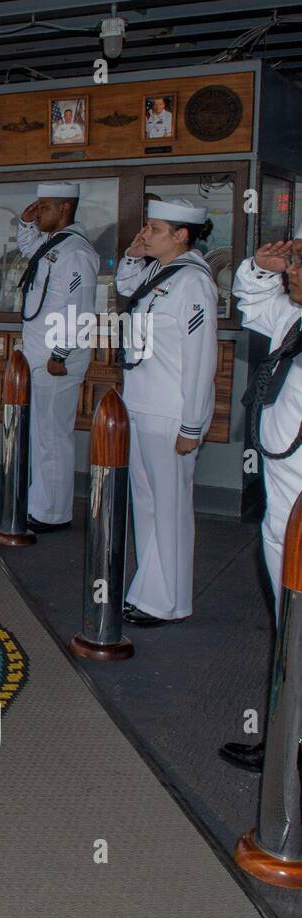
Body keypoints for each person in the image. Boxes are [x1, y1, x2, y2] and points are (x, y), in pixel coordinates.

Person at [115, 197, 219, 626]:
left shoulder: (193, 283)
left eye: (154, 229)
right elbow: (124, 286)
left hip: (170, 411)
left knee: (171, 505)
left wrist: (192, 424)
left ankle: (169, 600)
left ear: (181, 236)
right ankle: (149, 589)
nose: (145, 234)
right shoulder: (160, 272)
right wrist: (132, 252)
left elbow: (201, 360)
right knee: (148, 503)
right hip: (141, 403)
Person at [220, 231, 302, 772]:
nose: (291, 272)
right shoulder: (293, 321)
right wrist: (260, 264)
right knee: (289, 623)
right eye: (293, 262)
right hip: (282, 497)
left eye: (299, 265)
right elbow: (251, 300)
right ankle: (289, 737)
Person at [15, 182, 99, 532]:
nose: (39, 211)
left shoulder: (76, 253)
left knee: (53, 434)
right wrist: (25, 221)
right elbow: (27, 247)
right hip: (39, 351)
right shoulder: (54, 245)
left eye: (44, 206)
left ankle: (52, 512)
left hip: (55, 357)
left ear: (65, 208)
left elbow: (78, 308)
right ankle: (41, 502)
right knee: (41, 433)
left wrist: (60, 354)